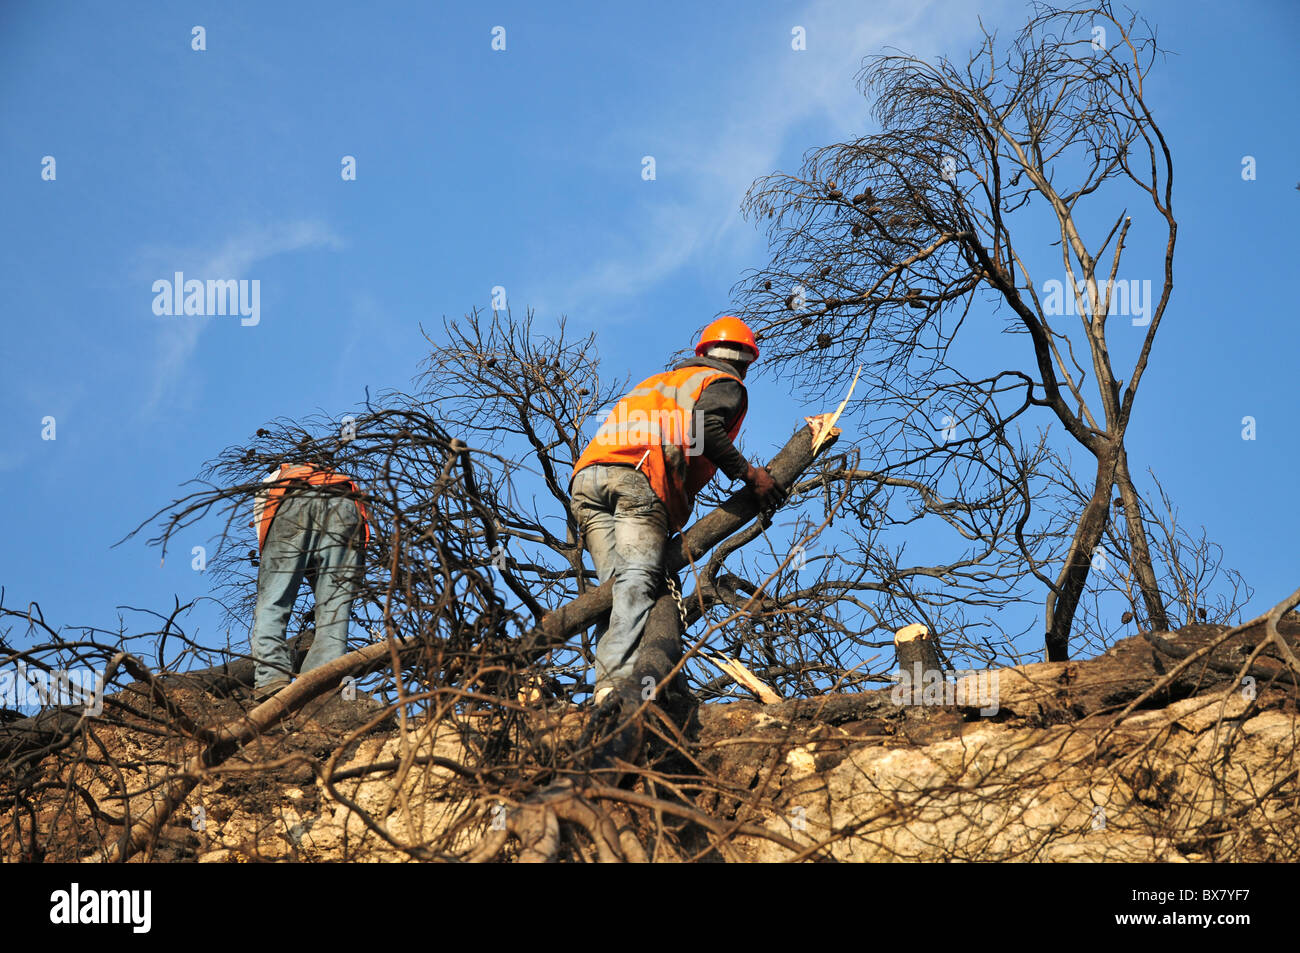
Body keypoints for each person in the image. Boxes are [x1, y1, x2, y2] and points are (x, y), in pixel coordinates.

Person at [568, 316, 781, 705]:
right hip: (637, 479)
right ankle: (616, 687)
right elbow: (705, 428)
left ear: (701, 352)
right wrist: (751, 475)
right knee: (635, 582)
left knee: (614, 589)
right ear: (746, 362)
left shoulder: (658, 382)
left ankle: (609, 686)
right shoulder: (723, 384)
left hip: (586, 480)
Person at [248, 460, 370, 699]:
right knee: (334, 607)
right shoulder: (329, 475)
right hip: (345, 504)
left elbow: (273, 555)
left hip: (291, 500)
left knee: (274, 597)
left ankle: (271, 677)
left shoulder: (271, 484)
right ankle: (322, 679)